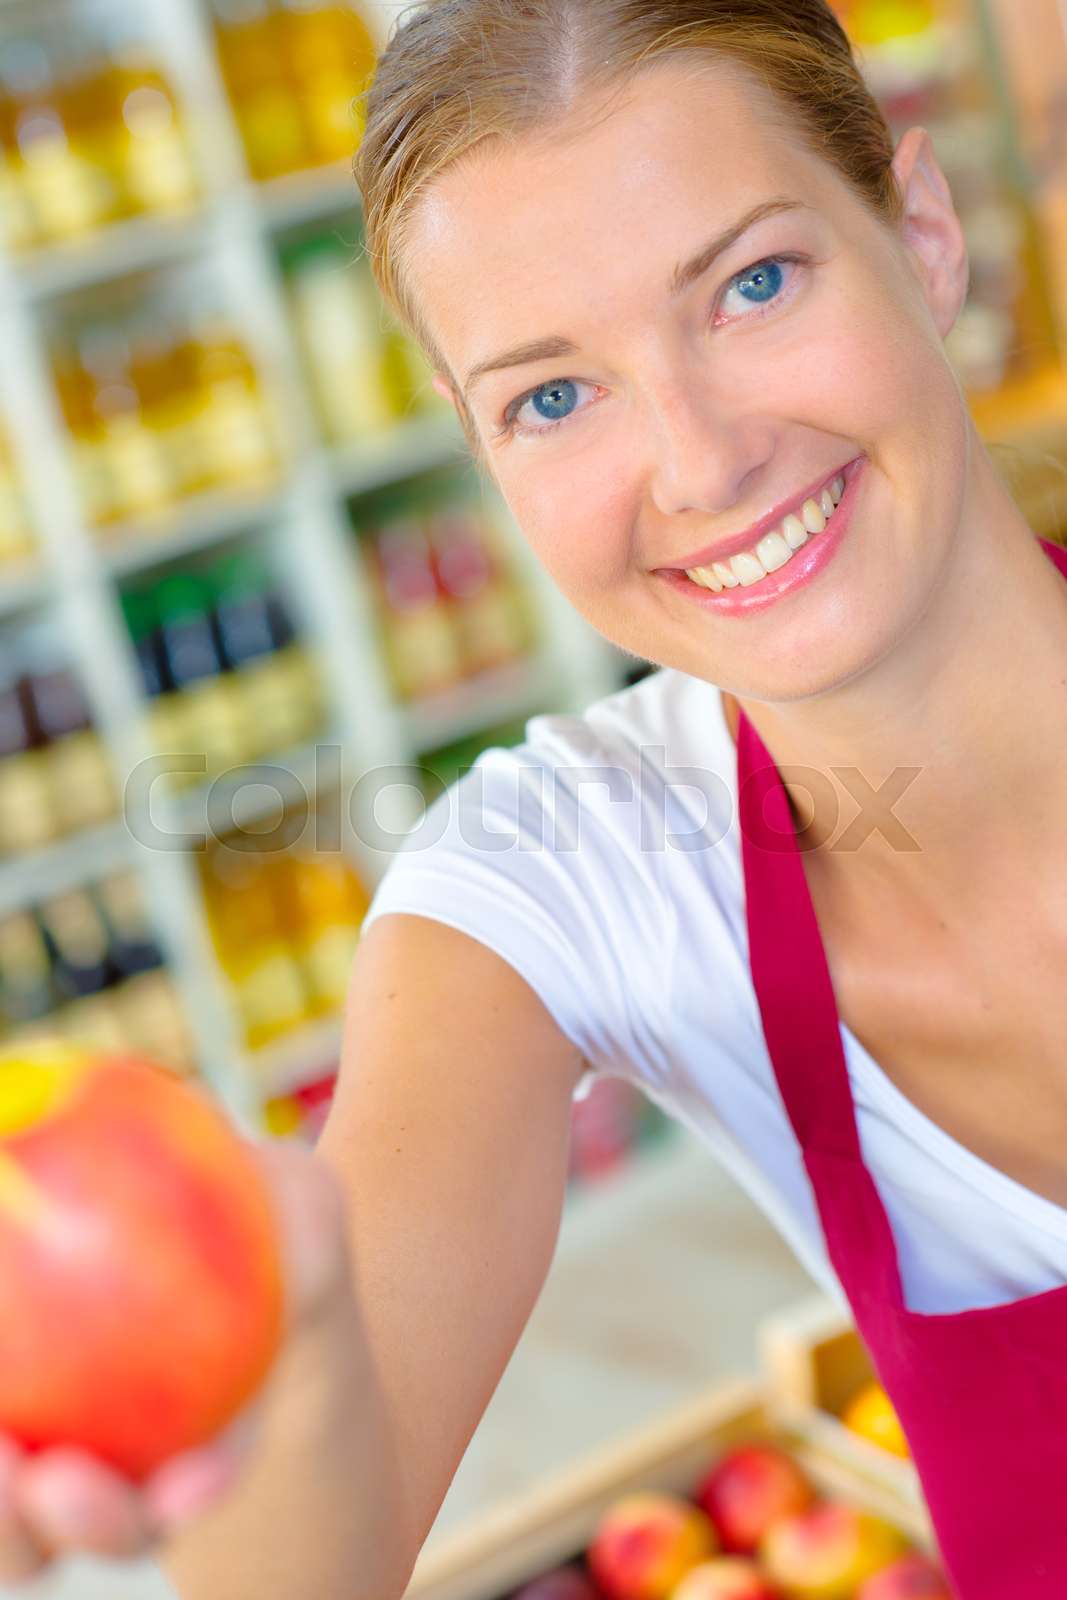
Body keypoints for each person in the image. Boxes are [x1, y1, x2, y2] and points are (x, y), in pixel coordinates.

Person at [1, 1, 1066, 1594]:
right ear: (481, 454)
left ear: (921, 233)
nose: (700, 462)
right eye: (553, 398)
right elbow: (312, 1567)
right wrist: (270, 1362)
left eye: (753, 285)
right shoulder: (573, 868)